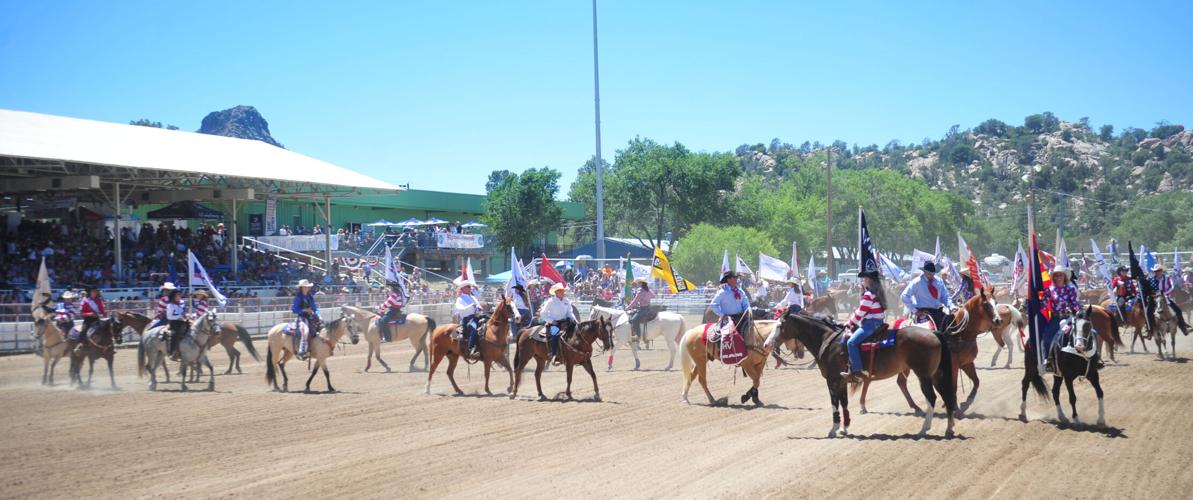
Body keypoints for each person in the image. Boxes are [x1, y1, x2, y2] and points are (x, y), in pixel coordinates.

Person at [842, 270, 887, 382]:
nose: (863, 281)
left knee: (851, 343)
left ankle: (857, 372)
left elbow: (860, 312)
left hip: (871, 324)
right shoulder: (876, 292)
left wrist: (849, 322)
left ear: (868, 280)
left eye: (864, 279)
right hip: (878, 322)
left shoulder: (869, 295)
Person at [900, 262, 954, 334]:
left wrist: (952, 306)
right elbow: (904, 296)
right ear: (924, 272)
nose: (932, 276)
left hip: (938, 312)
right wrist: (915, 311)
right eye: (929, 274)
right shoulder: (917, 282)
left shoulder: (939, 281)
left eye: (933, 273)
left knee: (951, 328)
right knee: (930, 332)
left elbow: (945, 297)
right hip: (923, 313)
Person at [538, 282, 578, 365]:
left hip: (565, 322)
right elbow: (543, 313)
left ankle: (575, 353)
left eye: (563, 291)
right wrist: (552, 321)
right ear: (556, 292)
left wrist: (575, 320)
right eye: (560, 291)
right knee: (555, 334)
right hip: (554, 323)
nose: (563, 292)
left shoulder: (567, 301)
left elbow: (569, 313)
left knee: (576, 332)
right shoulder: (550, 301)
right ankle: (554, 355)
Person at [709, 271, 752, 343]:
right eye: (734, 278)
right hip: (729, 319)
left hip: (741, 317)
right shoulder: (722, 292)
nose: (737, 280)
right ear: (728, 280)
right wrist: (722, 315)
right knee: (723, 338)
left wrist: (747, 310)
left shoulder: (740, 291)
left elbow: (746, 303)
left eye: (736, 278)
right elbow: (713, 304)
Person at [1148, 264, 1190, 336]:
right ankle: (1151, 330)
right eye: (1155, 271)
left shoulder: (1167, 278)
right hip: (1155, 298)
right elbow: (1149, 288)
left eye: (1158, 271)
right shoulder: (1151, 280)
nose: (1157, 272)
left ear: (1161, 271)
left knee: (1178, 310)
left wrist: (1164, 294)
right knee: (1148, 312)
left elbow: (1171, 287)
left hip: (1165, 297)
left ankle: (1183, 328)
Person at [291, 279, 320, 360]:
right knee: (305, 331)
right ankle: (302, 351)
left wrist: (318, 315)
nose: (307, 288)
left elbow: (315, 308)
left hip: (311, 317)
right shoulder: (298, 297)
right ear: (301, 288)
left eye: (307, 287)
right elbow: (294, 309)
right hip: (302, 318)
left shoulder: (310, 297)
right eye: (305, 287)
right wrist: (304, 310)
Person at [453, 280, 482, 358]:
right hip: (467, 319)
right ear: (462, 289)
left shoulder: (473, 297)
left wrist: (480, 308)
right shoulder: (460, 299)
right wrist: (471, 306)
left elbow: (478, 306)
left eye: (470, 286)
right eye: (468, 287)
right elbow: (460, 309)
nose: (470, 288)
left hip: (477, 316)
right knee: (474, 329)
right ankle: (470, 349)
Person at [75, 286, 105, 355]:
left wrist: (101, 314)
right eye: (93, 291)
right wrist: (89, 314)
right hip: (88, 320)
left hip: (97, 319)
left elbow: (102, 312)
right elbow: (82, 312)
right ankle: (79, 345)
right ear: (90, 292)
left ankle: (107, 346)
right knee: (84, 330)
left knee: (105, 329)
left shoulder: (99, 301)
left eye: (96, 291)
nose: (95, 293)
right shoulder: (85, 300)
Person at [166, 289, 188, 360]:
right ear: (173, 296)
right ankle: (172, 352)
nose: (179, 296)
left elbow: (183, 312)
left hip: (182, 321)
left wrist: (186, 315)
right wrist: (180, 317)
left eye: (179, 294)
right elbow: (169, 316)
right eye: (177, 295)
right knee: (175, 335)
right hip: (174, 322)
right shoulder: (170, 305)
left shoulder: (181, 303)